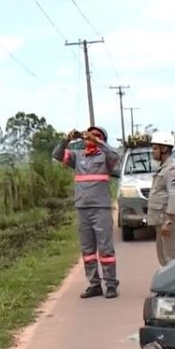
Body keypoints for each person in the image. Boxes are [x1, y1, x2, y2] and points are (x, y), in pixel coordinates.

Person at [52, 126, 121, 299]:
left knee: (105, 249)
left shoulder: (105, 157)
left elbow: (116, 156)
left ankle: (111, 284)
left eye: (96, 136)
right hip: (82, 208)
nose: (91, 138)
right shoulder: (78, 156)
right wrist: (67, 140)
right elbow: (57, 154)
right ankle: (94, 284)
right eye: (89, 135)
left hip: (101, 208)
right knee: (88, 250)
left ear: (102, 139)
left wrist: (99, 142)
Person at [146, 131, 175, 266]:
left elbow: (174, 195)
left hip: (168, 222)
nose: (153, 151)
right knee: (164, 259)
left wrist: (168, 221)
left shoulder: (172, 169)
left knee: (174, 259)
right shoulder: (164, 167)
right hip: (161, 221)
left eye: (155, 148)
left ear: (165, 149)